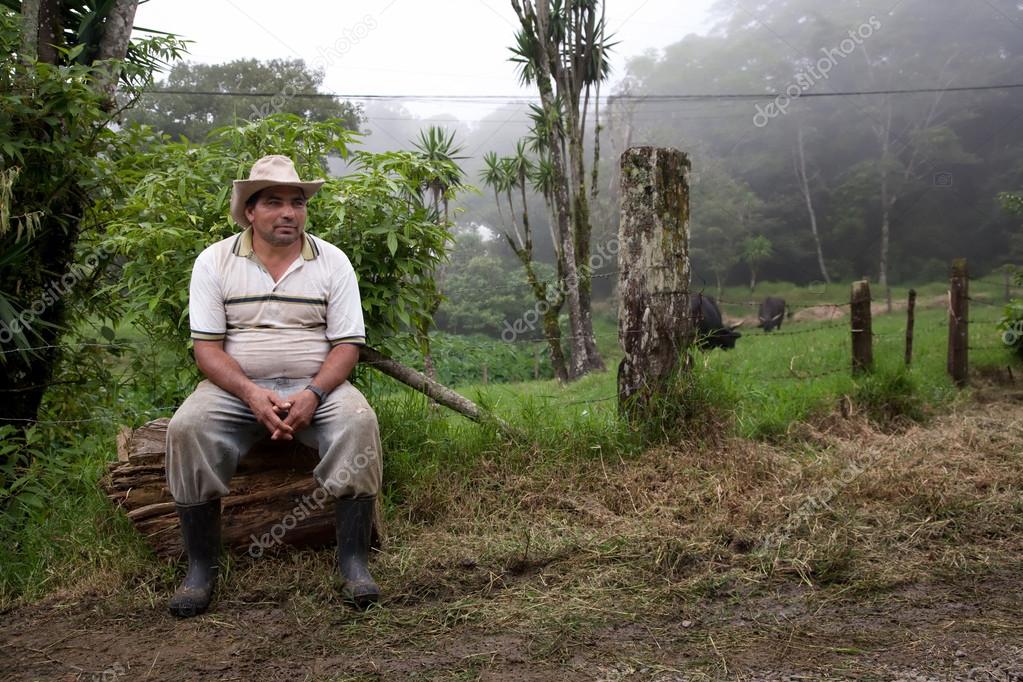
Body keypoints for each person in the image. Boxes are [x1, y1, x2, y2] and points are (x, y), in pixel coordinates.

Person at [165, 155, 382, 617]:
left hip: (317, 387)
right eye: (274, 202)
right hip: (236, 391)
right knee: (187, 428)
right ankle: (200, 568)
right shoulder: (215, 261)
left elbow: (346, 347)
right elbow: (207, 350)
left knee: (359, 421)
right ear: (249, 211)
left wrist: (314, 395)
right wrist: (251, 394)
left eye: (297, 203)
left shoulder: (333, 261)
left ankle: (354, 563)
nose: (288, 212)